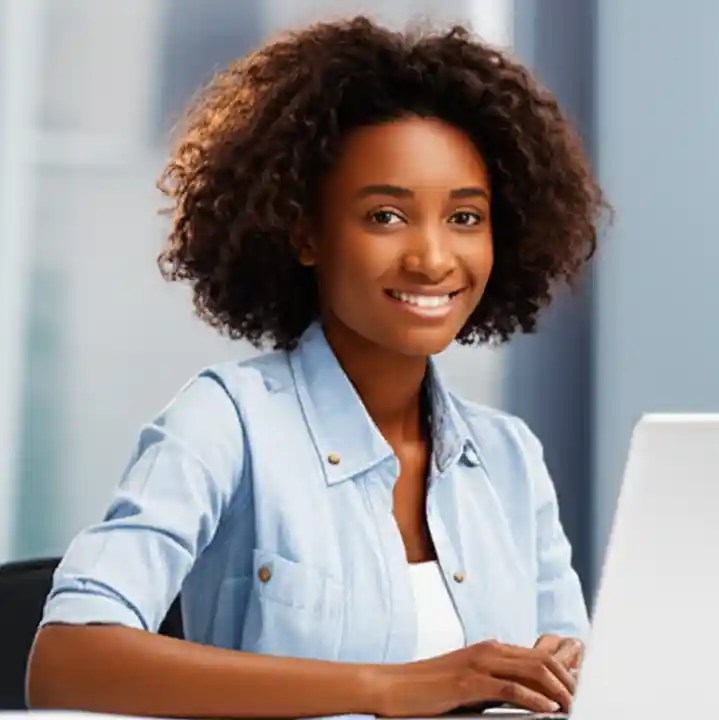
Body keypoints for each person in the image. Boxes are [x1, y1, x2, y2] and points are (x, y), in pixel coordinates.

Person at [26, 15, 605, 719]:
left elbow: (577, 686)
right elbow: (68, 661)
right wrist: (392, 687)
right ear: (305, 233)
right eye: (386, 216)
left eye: (464, 218)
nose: (432, 258)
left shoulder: (510, 459)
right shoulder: (228, 422)